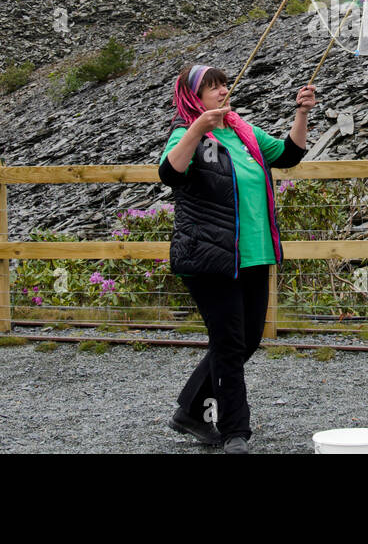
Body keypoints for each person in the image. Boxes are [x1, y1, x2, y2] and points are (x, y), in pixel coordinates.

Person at [157, 62, 315, 454]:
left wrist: (301, 113)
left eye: (225, 84)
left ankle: (189, 411)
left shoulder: (244, 132)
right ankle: (234, 432)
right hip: (210, 257)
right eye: (212, 87)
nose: (223, 90)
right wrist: (196, 128)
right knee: (228, 344)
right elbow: (170, 174)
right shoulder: (187, 133)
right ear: (194, 96)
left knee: (245, 341)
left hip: (255, 254)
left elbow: (289, 154)